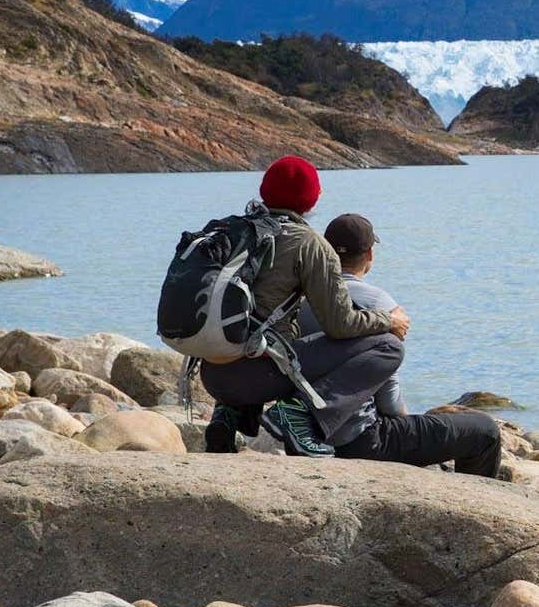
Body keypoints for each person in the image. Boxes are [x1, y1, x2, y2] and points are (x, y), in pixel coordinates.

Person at [200, 156, 501, 478]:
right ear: (370, 254)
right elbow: (387, 396)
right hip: (359, 438)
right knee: (483, 431)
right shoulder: (374, 299)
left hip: (223, 374)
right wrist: (387, 320)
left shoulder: (276, 270)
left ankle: (234, 413)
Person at [306, 212, 407, 418]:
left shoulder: (303, 297)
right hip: (358, 425)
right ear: (369, 254)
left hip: (306, 410)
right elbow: (391, 405)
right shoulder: (381, 303)